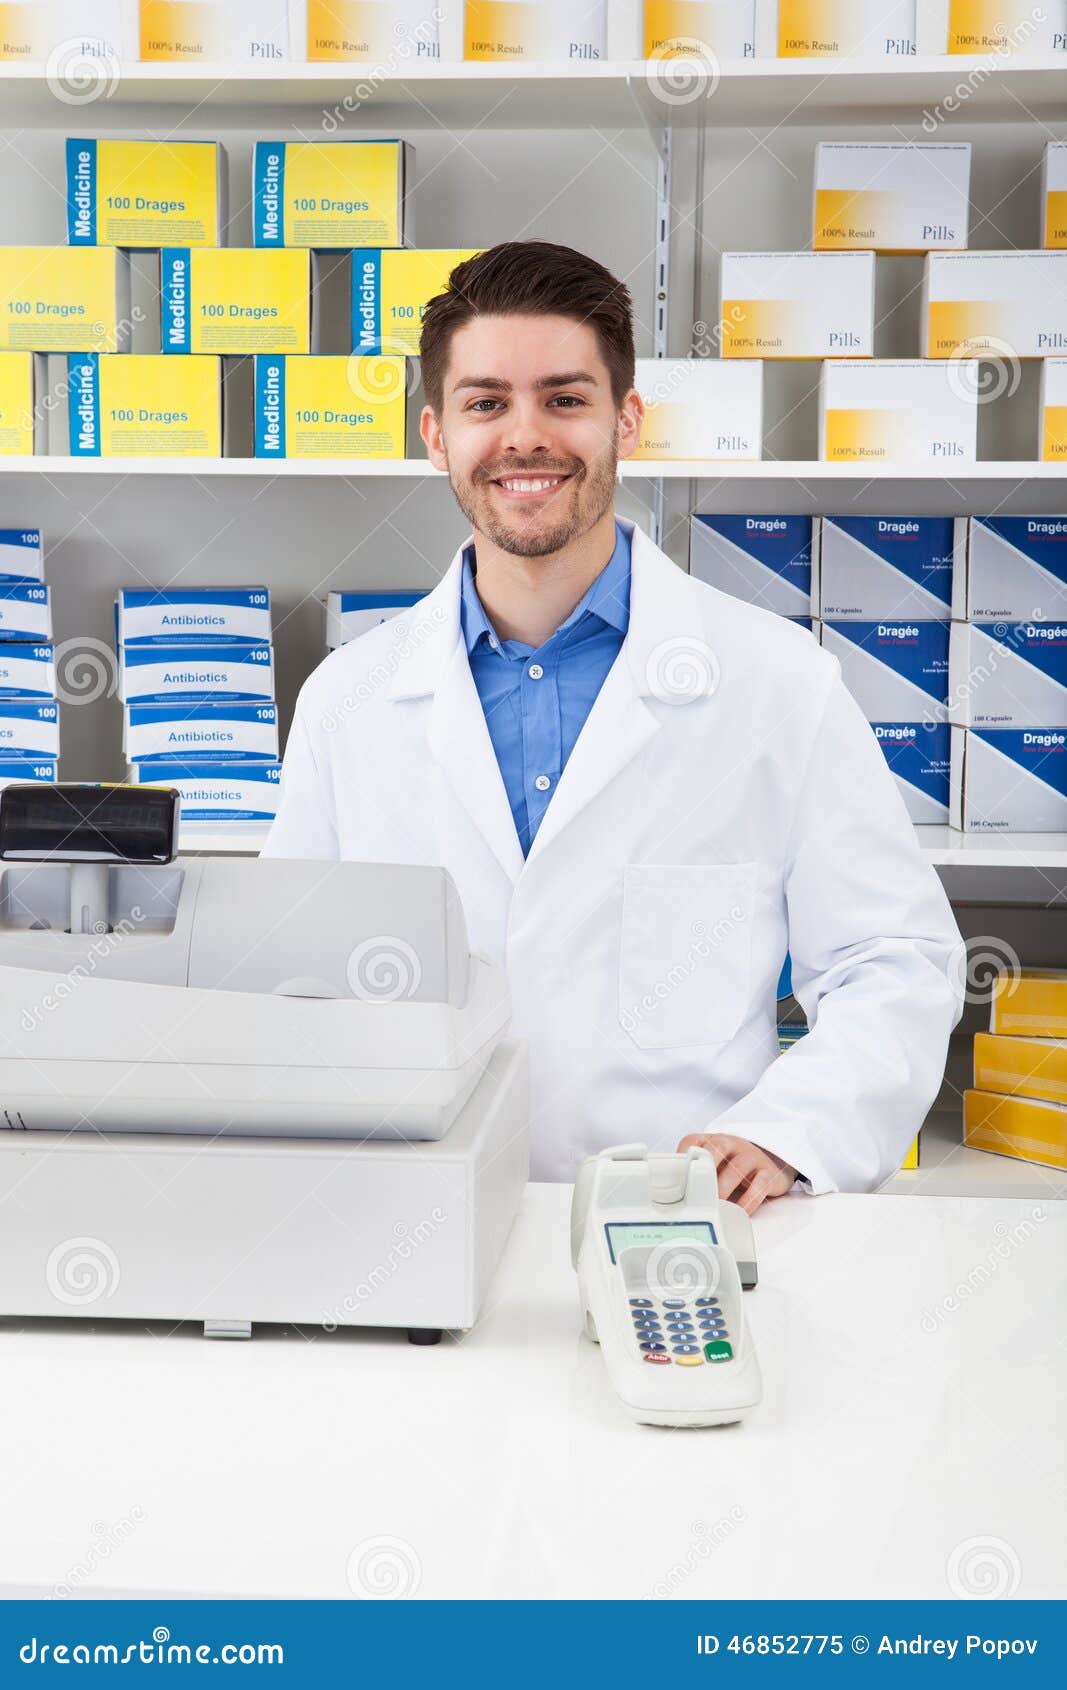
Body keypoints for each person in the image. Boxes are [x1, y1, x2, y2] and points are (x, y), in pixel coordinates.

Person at [261, 239, 963, 1213]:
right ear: (434, 433)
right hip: (411, 1214)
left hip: (683, 1225)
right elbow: (291, 983)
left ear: (625, 419)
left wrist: (788, 1132)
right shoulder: (349, 699)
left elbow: (892, 961)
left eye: (563, 397)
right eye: (484, 403)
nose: (524, 437)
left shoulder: (776, 685)